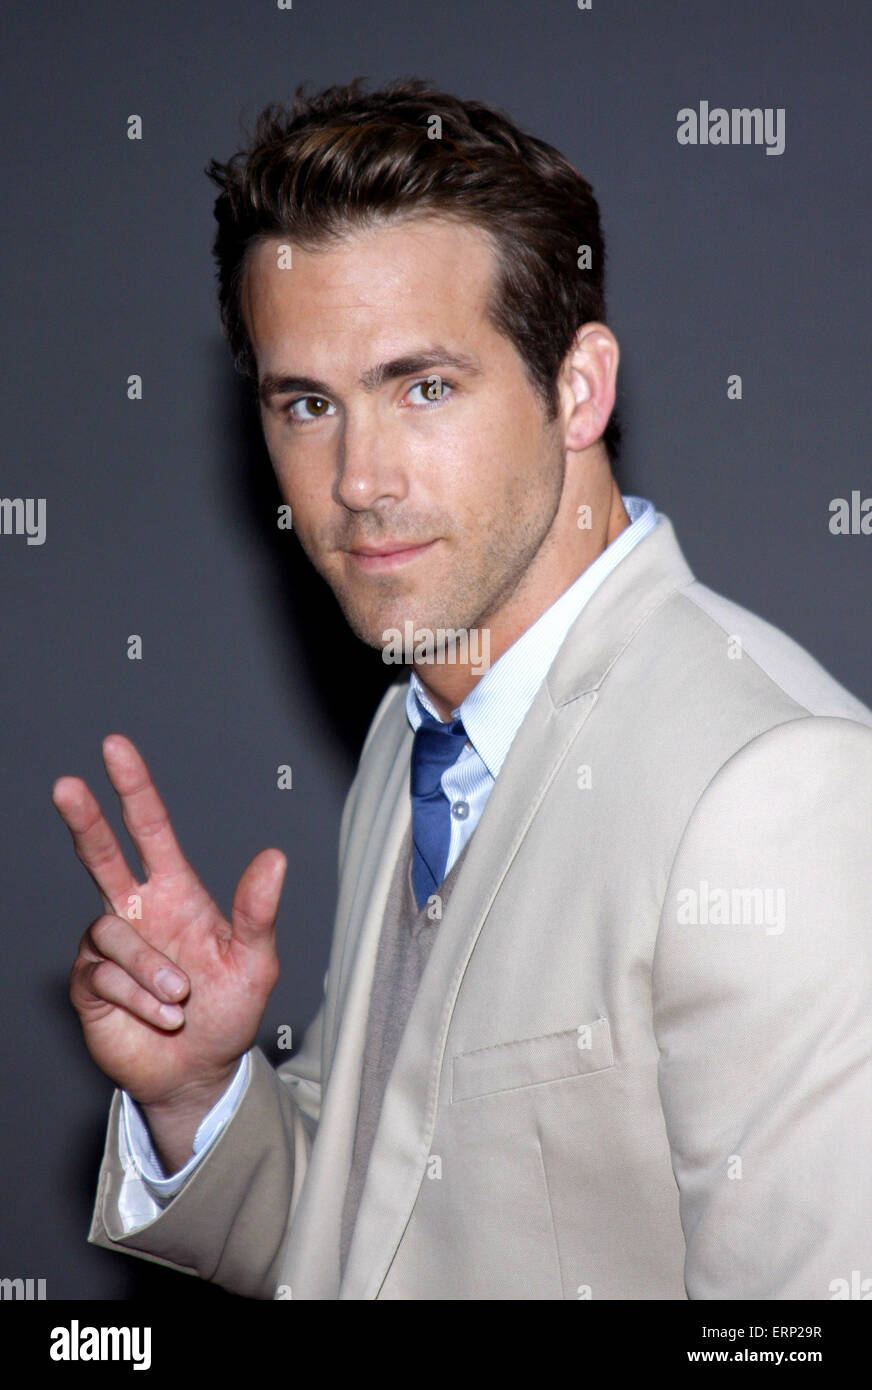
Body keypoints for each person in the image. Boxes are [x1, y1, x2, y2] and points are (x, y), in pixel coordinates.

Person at [54, 77, 872, 1300]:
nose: (357, 479)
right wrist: (196, 1091)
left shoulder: (773, 788)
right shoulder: (418, 725)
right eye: (307, 404)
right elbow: (378, 1230)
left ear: (577, 390)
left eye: (421, 385)